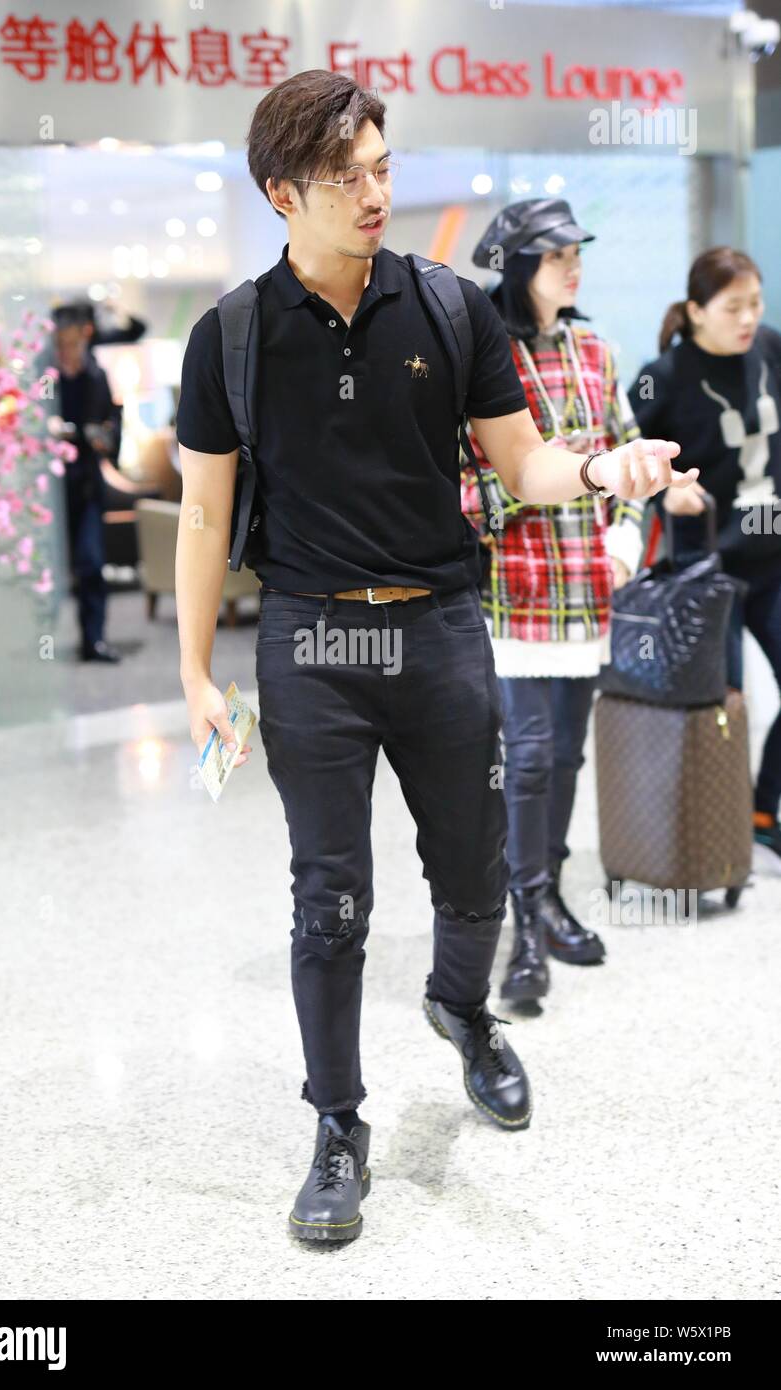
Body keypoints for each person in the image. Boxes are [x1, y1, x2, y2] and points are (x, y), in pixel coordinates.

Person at [174, 68, 695, 1244]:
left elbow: (525, 466)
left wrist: (605, 469)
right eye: (343, 177)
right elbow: (205, 517)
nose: (372, 192)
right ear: (279, 192)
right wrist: (194, 672)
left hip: (441, 628)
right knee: (328, 900)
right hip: (310, 638)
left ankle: (460, 1009)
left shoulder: (451, 311)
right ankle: (336, 1124)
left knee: (473, 878)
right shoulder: (232, 337)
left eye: (380, 166)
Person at [464, 199, 645, 1004]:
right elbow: (463, 490)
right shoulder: (485, 355)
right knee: (530, 758)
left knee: (566, 756)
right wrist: (542, 482)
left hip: (588, 586)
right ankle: (527, 922)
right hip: (519, 593)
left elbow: (631, 452)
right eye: (555, 255)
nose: (572, 267)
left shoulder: (596, 347)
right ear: (514, 264)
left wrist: (625, 538)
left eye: (576, 252)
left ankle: (548, 893)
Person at [628, 247, 781, 871]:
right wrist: (668, 489)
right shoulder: (661, 376)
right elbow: (628, 461)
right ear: (695, 311)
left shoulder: (769, 347)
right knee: (722, 711)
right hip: (706, 570)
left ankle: (762, 811)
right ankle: (714, 837)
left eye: (755, 303)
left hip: (775, 561)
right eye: (733, 307)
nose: (748, 318)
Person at [48, 303, 124, 662]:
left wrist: (103, 437)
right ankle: (48, 641)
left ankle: (93, 639)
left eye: (74, 343)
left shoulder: (96, 376)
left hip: (87, 482)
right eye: (64, 344)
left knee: (92, 562)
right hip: (52, 489)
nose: (70, 351)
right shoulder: (48, 381)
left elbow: (111, 422)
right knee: (53, 568)